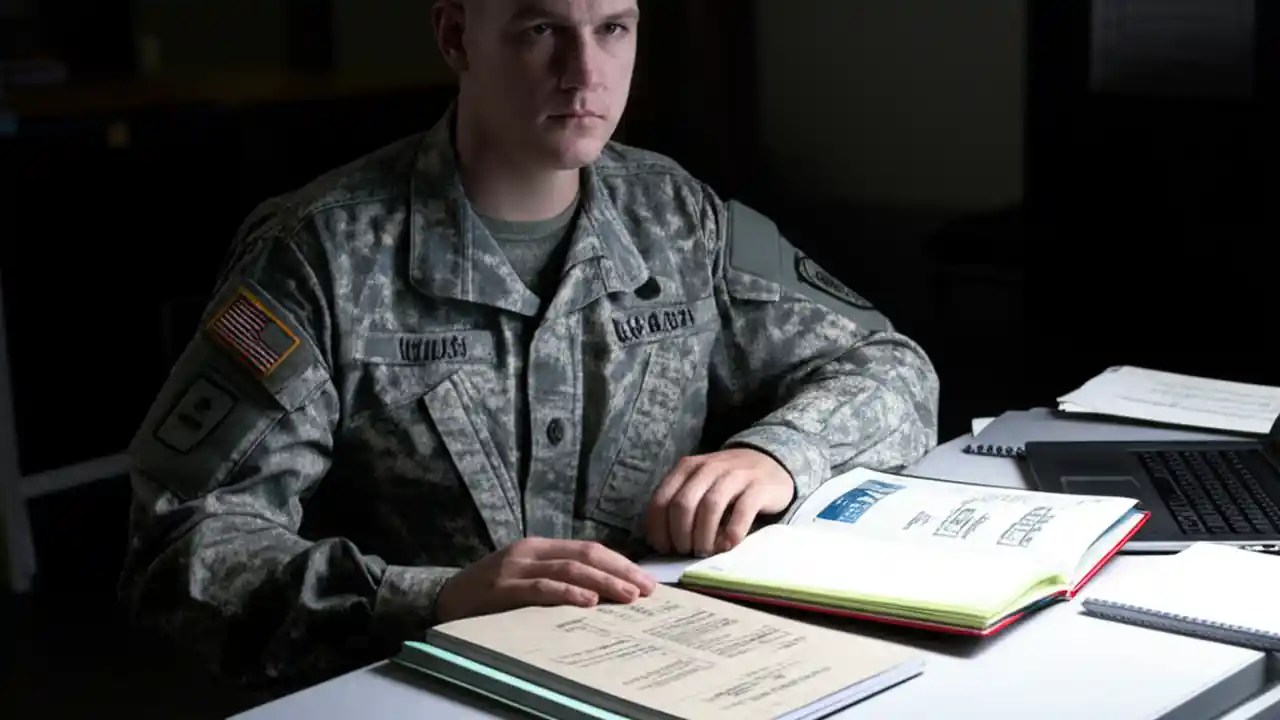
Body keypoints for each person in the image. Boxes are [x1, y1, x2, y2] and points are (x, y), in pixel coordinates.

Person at [118, 0, 940, 693]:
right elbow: (183, 549)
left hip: (674, 674)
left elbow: (894, 369)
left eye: (614, 28)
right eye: (540, 29)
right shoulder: (320, 255)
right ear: (455, 36)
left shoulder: (679, 218)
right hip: (418, 689)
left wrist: (778, 454)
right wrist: (431, 598)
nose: (585, 73)